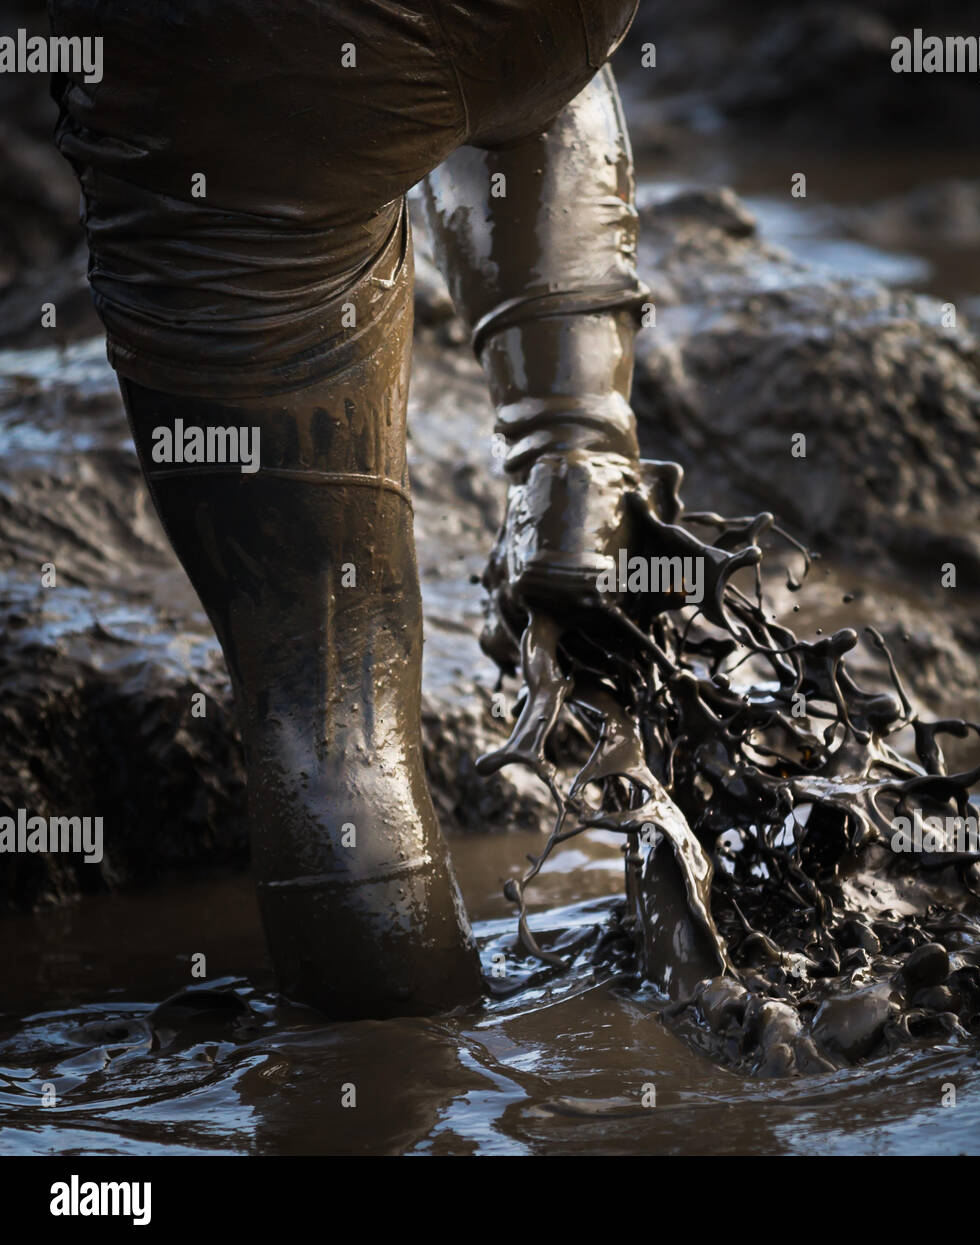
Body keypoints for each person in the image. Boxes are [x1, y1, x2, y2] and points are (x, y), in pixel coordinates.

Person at [48, 0, 647, 1017]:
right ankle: (576, 443)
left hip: (263, 69)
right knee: (490, 52)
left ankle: (392, 1076)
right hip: (559, 22)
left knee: (327, 701)